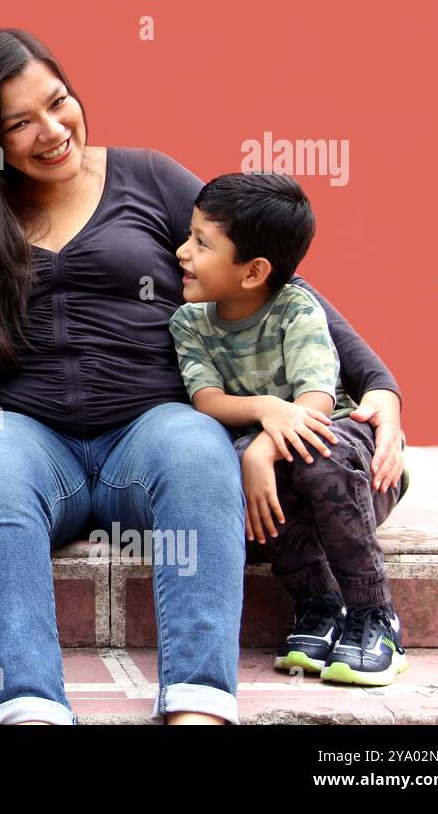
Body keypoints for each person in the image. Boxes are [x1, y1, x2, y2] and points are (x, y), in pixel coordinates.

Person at [0, 28, 407, 725]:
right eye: (19, 123)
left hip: (152, 428)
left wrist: (379, 386)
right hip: (30, 437)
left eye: (58, 102)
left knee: (198, 449)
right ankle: (31, 702)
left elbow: (274, 282)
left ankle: (199, 701)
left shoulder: (149, 178)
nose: (52, 130)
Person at [170, 171, 407, 686]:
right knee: (243, 471)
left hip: (346, 455)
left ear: (254, 271)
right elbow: (207, 400)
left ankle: (374, 615)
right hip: (284, 457)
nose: (183, 252)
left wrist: (260, 450)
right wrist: (260, 423)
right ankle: (318, 606)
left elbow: (317, 402)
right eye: (190, 236)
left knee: (313, 458)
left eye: (201, 243)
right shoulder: (189, 322)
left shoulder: (296, 307)